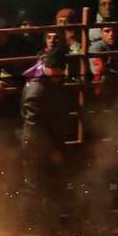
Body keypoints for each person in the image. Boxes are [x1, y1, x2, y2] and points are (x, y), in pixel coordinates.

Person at [20, 47, 74, 225]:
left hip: (43, 140)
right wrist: (52, 150)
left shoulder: (41, 81)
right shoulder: (38, 89)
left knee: (40, 183)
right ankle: (31, 222)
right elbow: (35, 126)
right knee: (36, 184)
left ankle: (39, 221)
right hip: (38, 144)